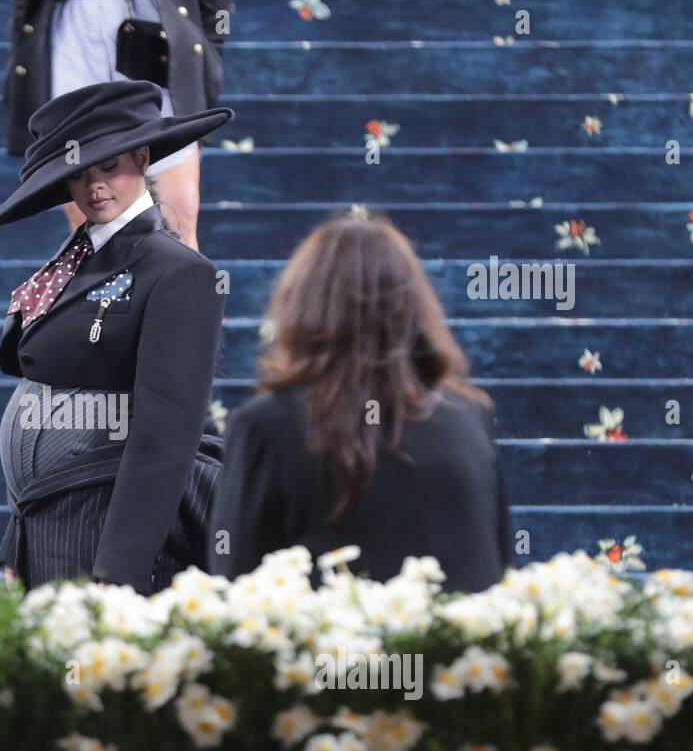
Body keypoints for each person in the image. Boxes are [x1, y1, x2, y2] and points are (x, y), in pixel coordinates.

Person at [0, 79, 234, 594]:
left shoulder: (179, 272)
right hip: (47, 526)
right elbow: (42, 398)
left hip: (106, 534)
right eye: (78, 173)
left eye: (110, 167)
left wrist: (119, 569)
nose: (96, 185)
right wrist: (18, 539)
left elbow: (166, 433)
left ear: (141, 159)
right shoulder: (68, 264)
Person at [209, 215, 514, 593]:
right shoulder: (471, 416)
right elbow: (499, 570)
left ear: (301, 305)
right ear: (415, 306)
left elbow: (238, 583)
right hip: (459, 647)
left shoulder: (264, 426)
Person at [3, 0, 237, 251]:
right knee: (87, 220)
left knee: (175, 217)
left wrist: (211, 46)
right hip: (68, 28)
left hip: (155, 28)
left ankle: (176, 292)